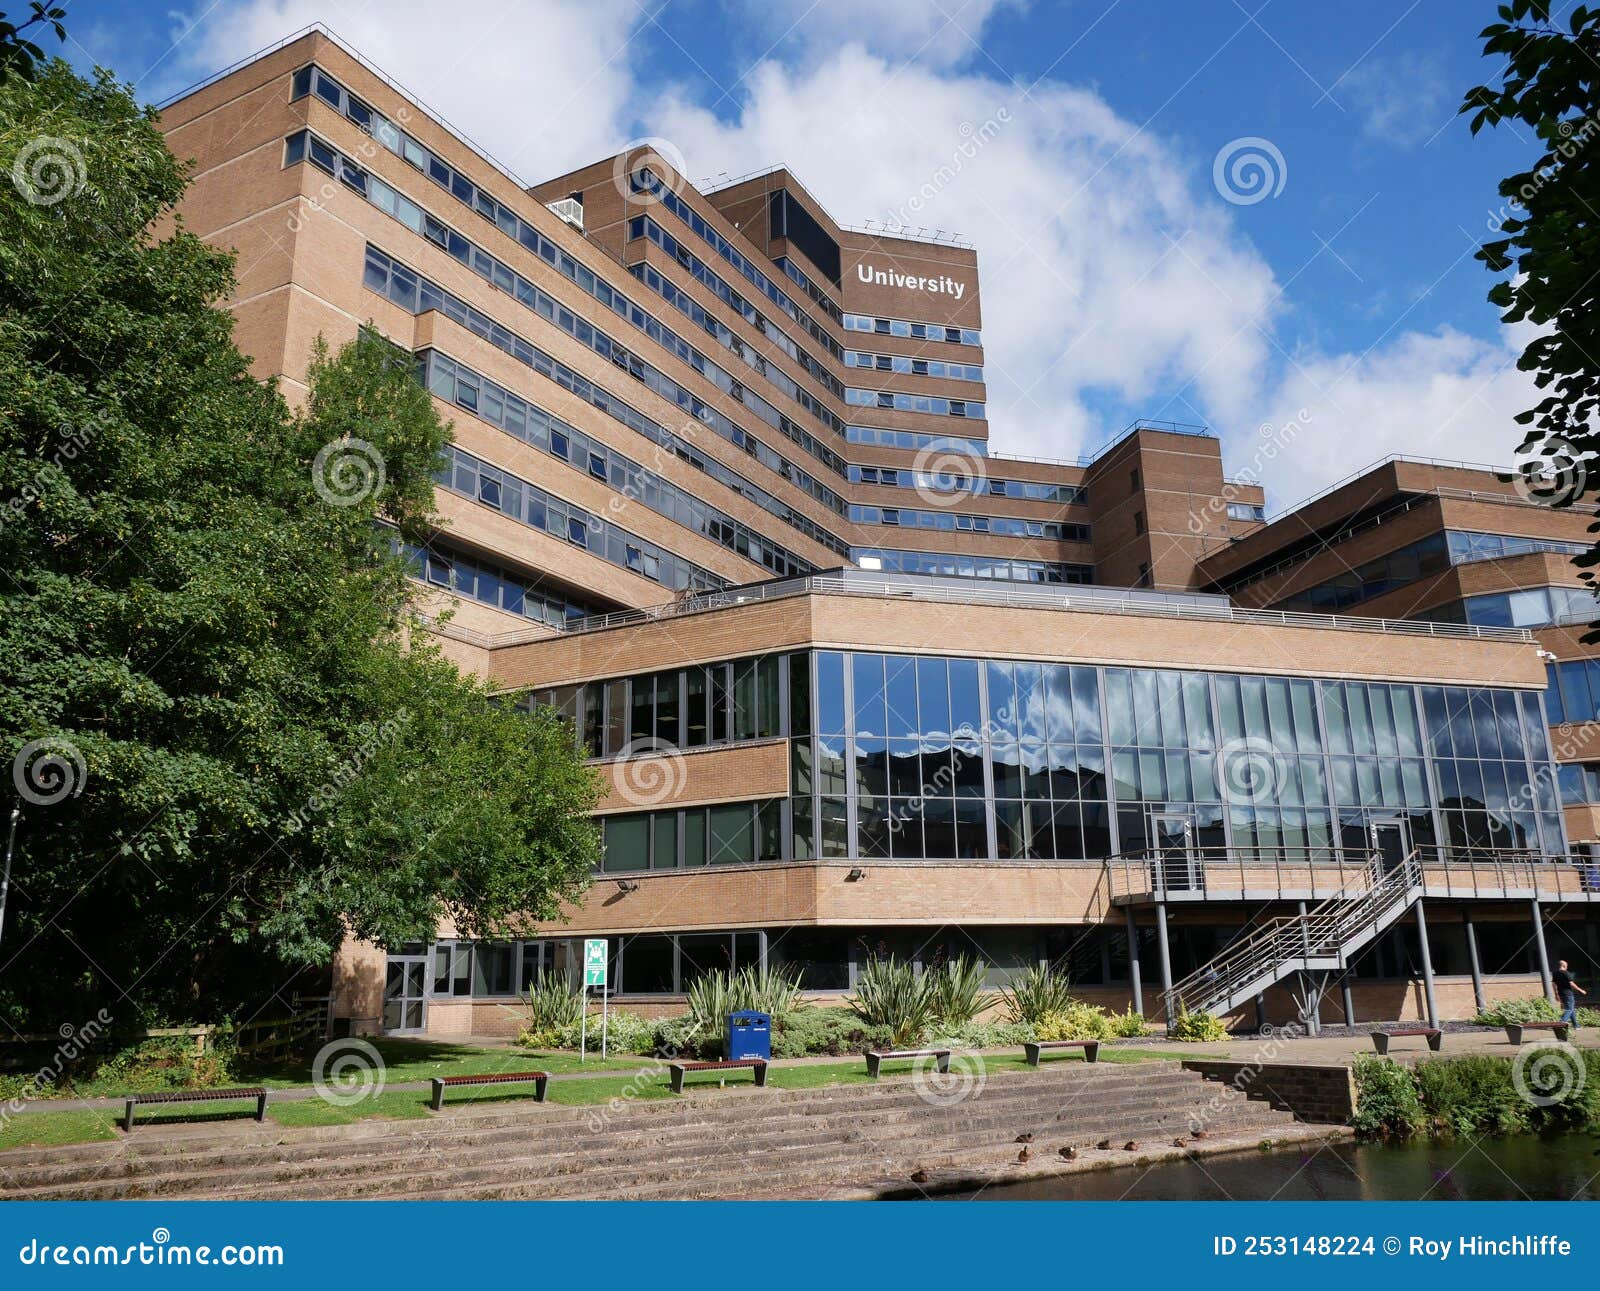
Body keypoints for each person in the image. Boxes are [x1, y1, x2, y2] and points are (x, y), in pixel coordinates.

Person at [1552, 960, 1586, 1030]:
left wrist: (1556, 994)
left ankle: (1576, 1026)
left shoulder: (1555, 973)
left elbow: (1554, 984)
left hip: (1561, 993)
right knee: (1569, 1009)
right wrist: (1580, 990)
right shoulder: (1566, 973)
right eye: (1566, 965)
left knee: (1571, 1009)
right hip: (1568, 994)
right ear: (1564, 965)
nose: (1567, 967)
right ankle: (1562, 1022)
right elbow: (1571, 983)